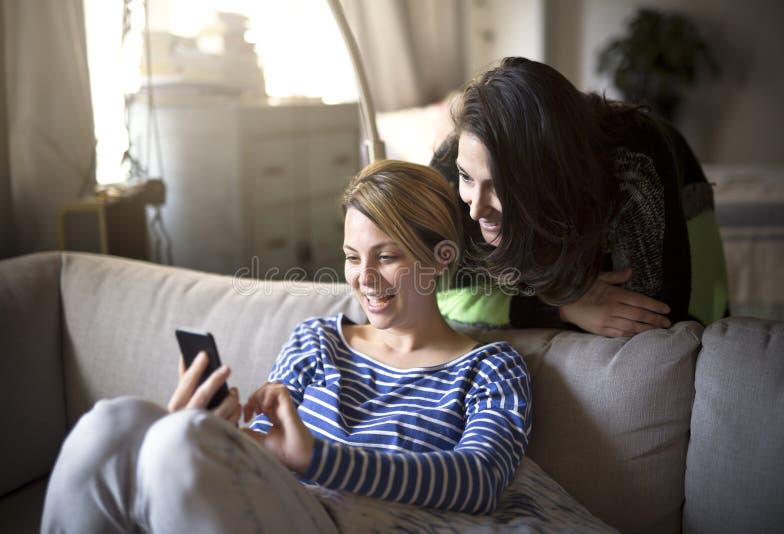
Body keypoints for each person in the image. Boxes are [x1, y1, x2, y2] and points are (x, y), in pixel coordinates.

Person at [40, 160, 532, 533]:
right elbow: (261, 440)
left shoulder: (491, 368)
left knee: (174, 443)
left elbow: (481, 479)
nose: (365, 278)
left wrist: (318, 459)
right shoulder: (316, 340)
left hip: (348, 524)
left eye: (387, 257)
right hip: (275, 507)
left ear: (442, 257)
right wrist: (220, 433)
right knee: (114, 423)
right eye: (352, 257)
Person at [431, 57, 729, 338]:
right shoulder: (448, 172)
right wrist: (562, 306)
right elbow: (432, 294)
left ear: (551, 178)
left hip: (669, 178)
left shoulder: (635, 165)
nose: (476, 209)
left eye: (501, 187)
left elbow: (660, 318)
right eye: (467, 177)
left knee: (698, 325)